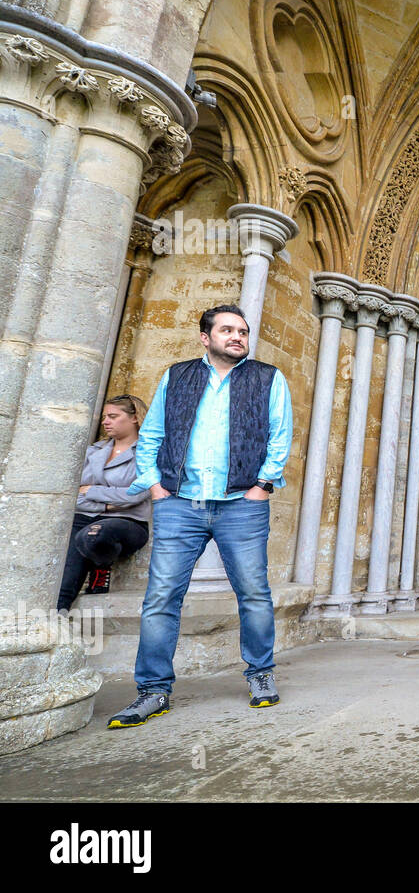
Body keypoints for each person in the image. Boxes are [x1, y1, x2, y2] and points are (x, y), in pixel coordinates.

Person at [107, 305, 293, 729]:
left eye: (242, 331)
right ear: (205, 338)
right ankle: (153, 691)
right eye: (227, 330)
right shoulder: (177, 376)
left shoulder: (268, 377)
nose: (237, 337)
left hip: (241, 505)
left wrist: (262, 486)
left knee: (254, 593)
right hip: (180, 504)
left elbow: (280, 437)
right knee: (161, 598)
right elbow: (152, 434)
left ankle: (260, 674)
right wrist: (155, 486)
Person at [56, 395, 152, 612]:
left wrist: (92, 491)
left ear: (134, 418)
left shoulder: (147, 453)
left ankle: (101, 566)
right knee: (65, 575)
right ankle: (58, 617)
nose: (105, 421)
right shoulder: (94, 451)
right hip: (85, 517)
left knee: (94, 535)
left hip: (127, 523)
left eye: (113, 416)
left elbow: (135, 495)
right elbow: (74, 495)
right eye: (104, 417)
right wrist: (106, 505)